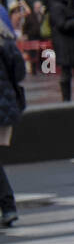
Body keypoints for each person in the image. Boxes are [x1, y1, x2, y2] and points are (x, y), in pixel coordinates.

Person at [0, 18, 24, 227]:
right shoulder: (6, 42)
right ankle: (8, 207)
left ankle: (8, 206)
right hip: (5, 107)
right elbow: (20, 73)